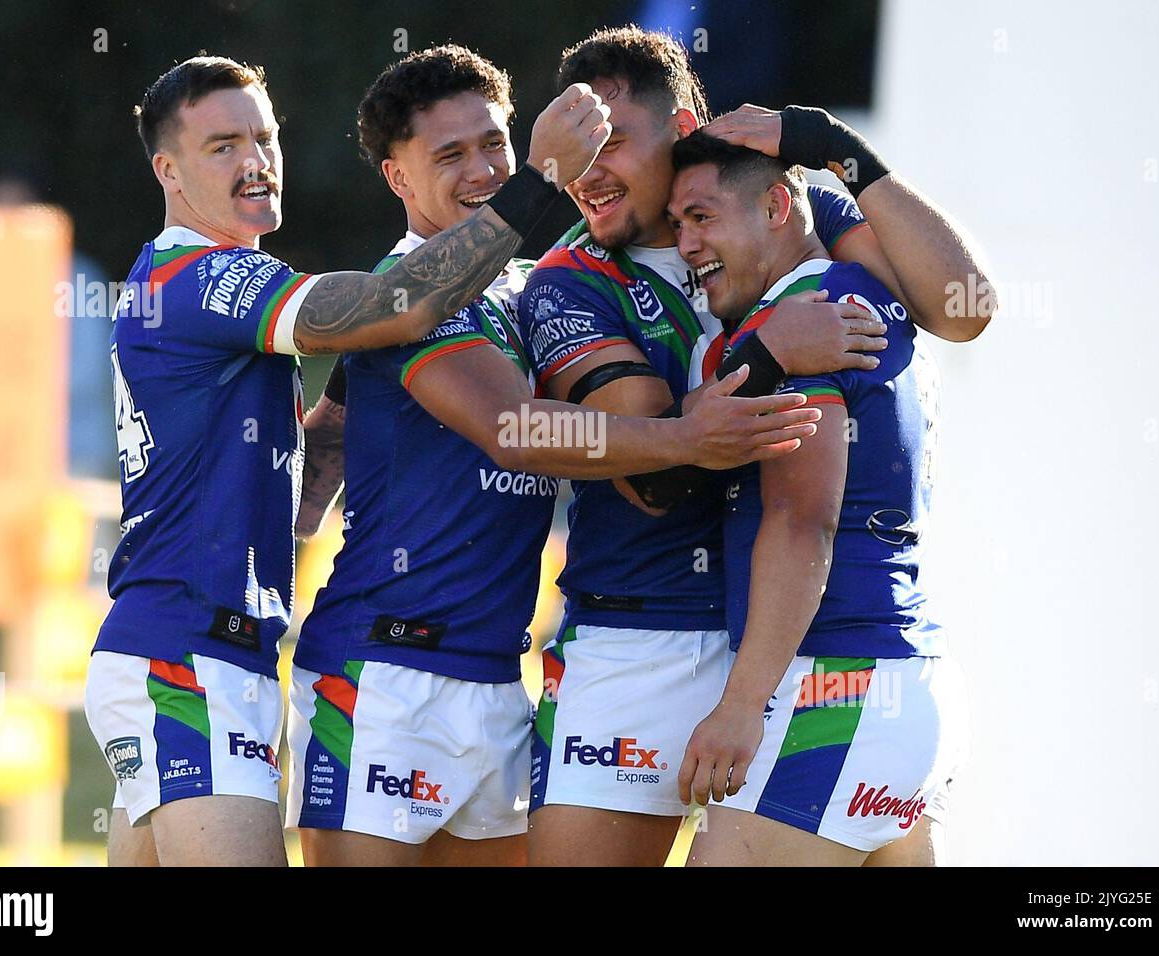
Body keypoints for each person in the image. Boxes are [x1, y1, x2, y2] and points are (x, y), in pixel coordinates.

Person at [285, 46, 824, 867]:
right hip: (383, 674)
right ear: (398, 179)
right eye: (450, 155)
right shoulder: (408, 293)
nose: (485, 170)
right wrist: (686, 437)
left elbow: (331, 424)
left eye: (496, 144)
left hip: (498, 677)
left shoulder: (524, 280)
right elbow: (515, 430)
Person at [84, 53, 615, 867]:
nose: (255, 161)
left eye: (263, 138)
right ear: (169, 170)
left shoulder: (191, 280)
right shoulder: (205, 275)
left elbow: (302, 481)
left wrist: (362, 419)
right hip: (187, 656)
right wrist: (538, 179)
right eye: (222, 145)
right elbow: (394, 306)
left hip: (205, 650)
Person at [519, 25, 990, 867]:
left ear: (687, 122)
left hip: (814, 665)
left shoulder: (793, 222)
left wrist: (834, 144)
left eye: (614, 138)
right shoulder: (573, 277)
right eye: (576, 143)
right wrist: (769, 355)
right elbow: (658, 482)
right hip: (675, 650)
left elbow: (965, 307)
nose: (588, 166)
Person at [669, 132, 969, 866]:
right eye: (676, 226)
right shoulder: (875, 289)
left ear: (777, 206)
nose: (685, 245)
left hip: (829, 690)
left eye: (702, 218)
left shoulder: (807, 316)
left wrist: (741, 707)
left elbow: (805, 521)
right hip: (912, 682)